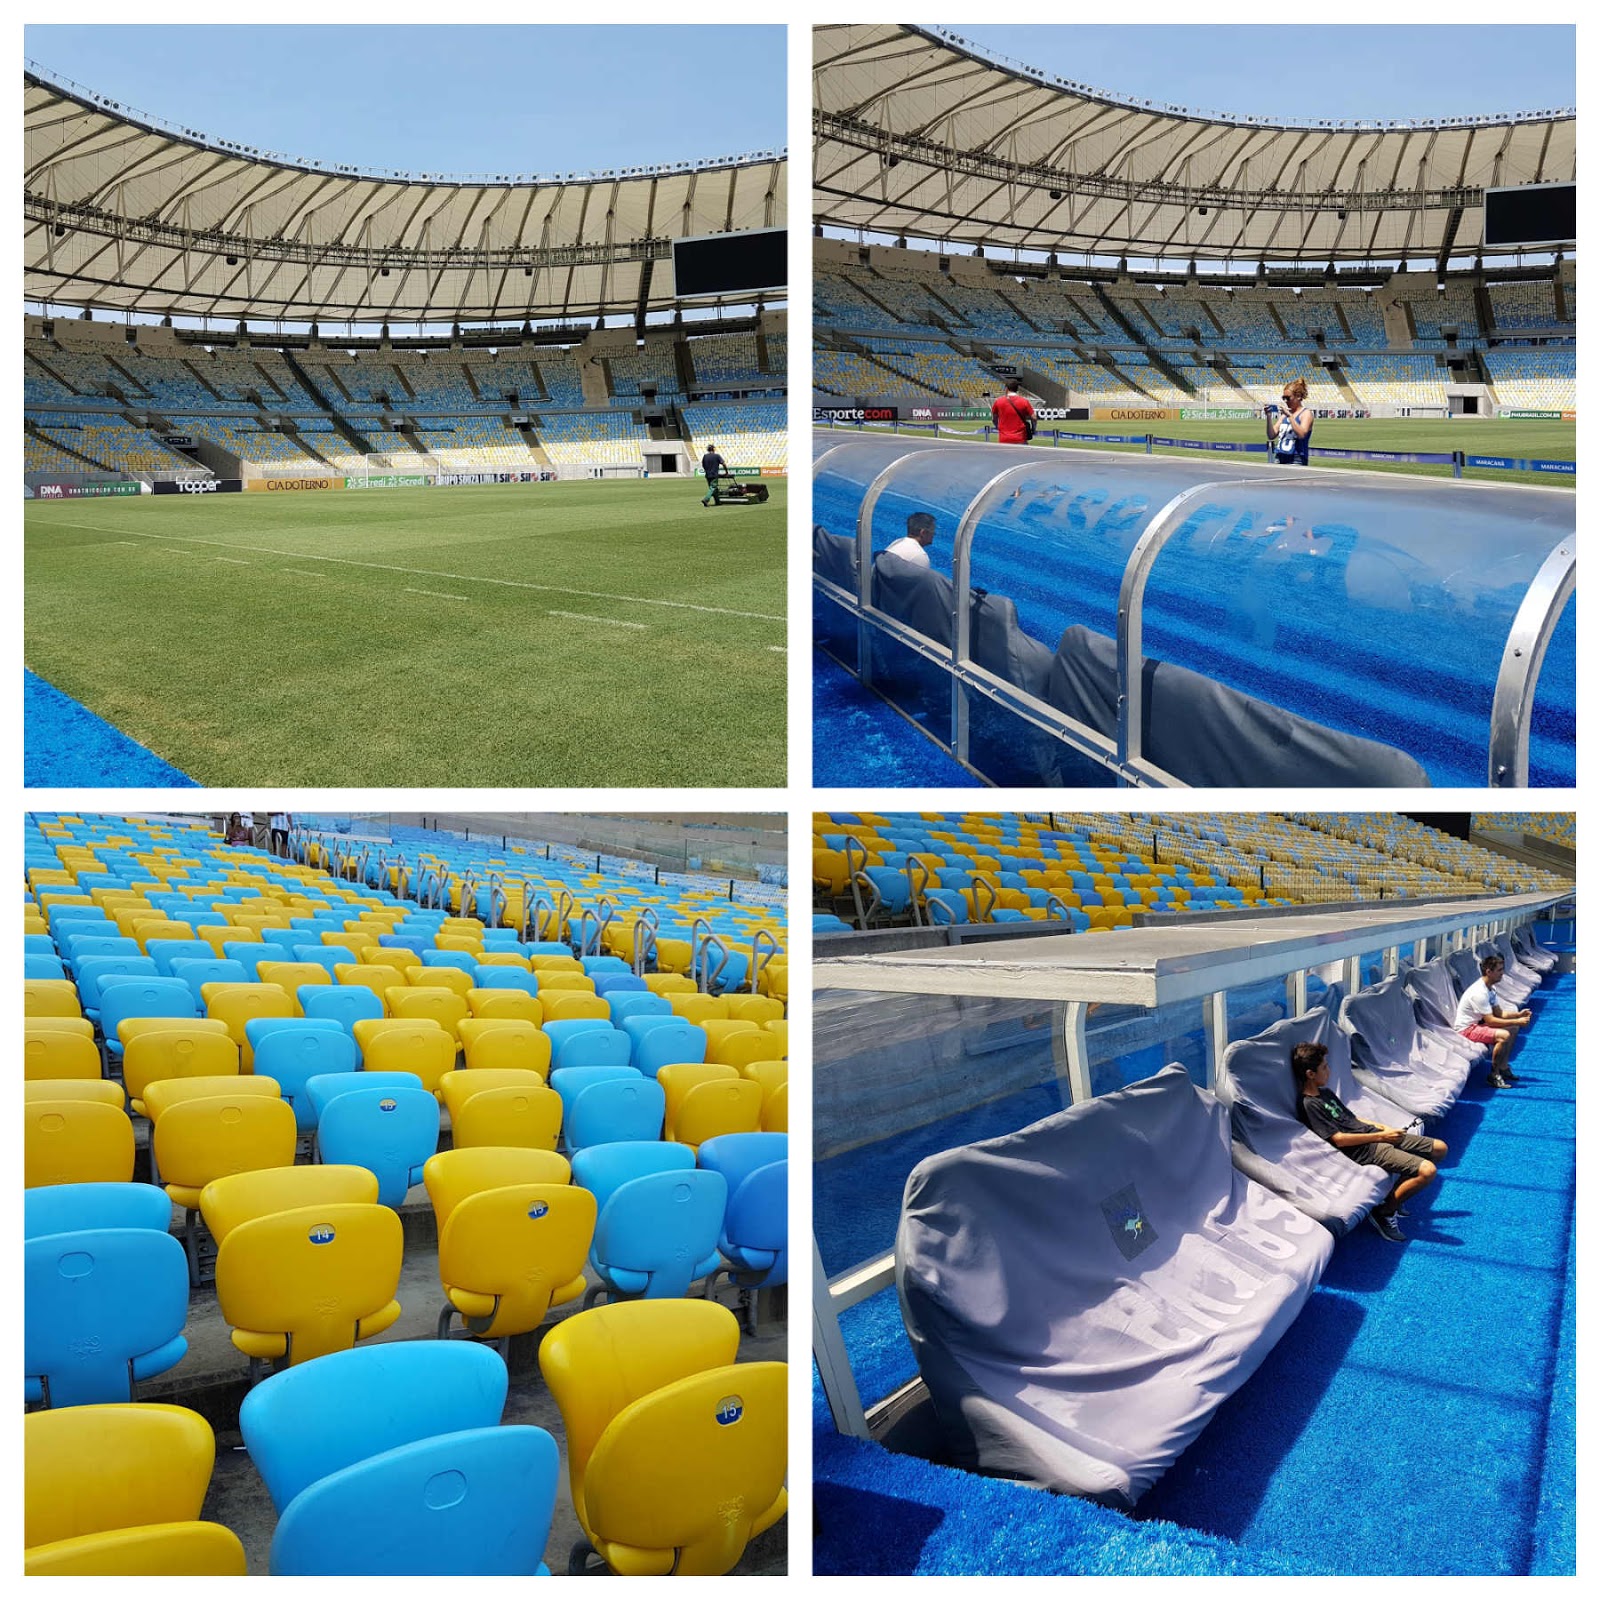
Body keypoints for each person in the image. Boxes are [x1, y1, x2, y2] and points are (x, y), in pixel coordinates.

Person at [1293, 1040, 1447, 1242]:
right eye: (1324, 1067)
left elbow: (1352, 1119)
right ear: (1310, 1074)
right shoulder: (1309, 1104)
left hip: (1374, 1134)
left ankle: (1394, 1196)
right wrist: (1381, 1137)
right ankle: (1384, 1212)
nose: (1328, 1071)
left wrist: (1383, 1127)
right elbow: (1338, 1140)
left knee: (1440, 1149)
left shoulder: (1326, 1094)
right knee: (1428, 1171)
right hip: (1364, 1149)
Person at [1453, 954, 1532, 1088]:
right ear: (1488, 972)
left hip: (1478, 1024)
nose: (1502, 973)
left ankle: (1503, 1066)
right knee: (1504, 1035)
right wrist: (1517, 1021)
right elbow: (1490, 1021)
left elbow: (1499, 1013)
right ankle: (1494, 1075)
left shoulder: (1490, 988)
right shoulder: (1479, 993)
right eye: (1499, 970)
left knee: (1513, 1029)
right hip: (1466, 1029)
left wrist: (1517, 1015)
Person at [1266, 378, 1314, 464]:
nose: (1285, 401)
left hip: (1296, 459)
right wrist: (1269, 416)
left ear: (1298, 397)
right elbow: (1271, 435)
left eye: (1288, 398)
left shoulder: (1306, 413)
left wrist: (1290, 416)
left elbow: (1302, 434)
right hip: (1279, 456)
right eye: (1283, 398)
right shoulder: (1284, 414)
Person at [991, 379, 1036, 446]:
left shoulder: (999, 401)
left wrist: (998, 427)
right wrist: (1033, 429)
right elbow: (1034, 417)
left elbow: (994, 418)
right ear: (1017, 389)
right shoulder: (1024, 401)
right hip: (1020, 439)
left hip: (1004, 438)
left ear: (1006, 388)